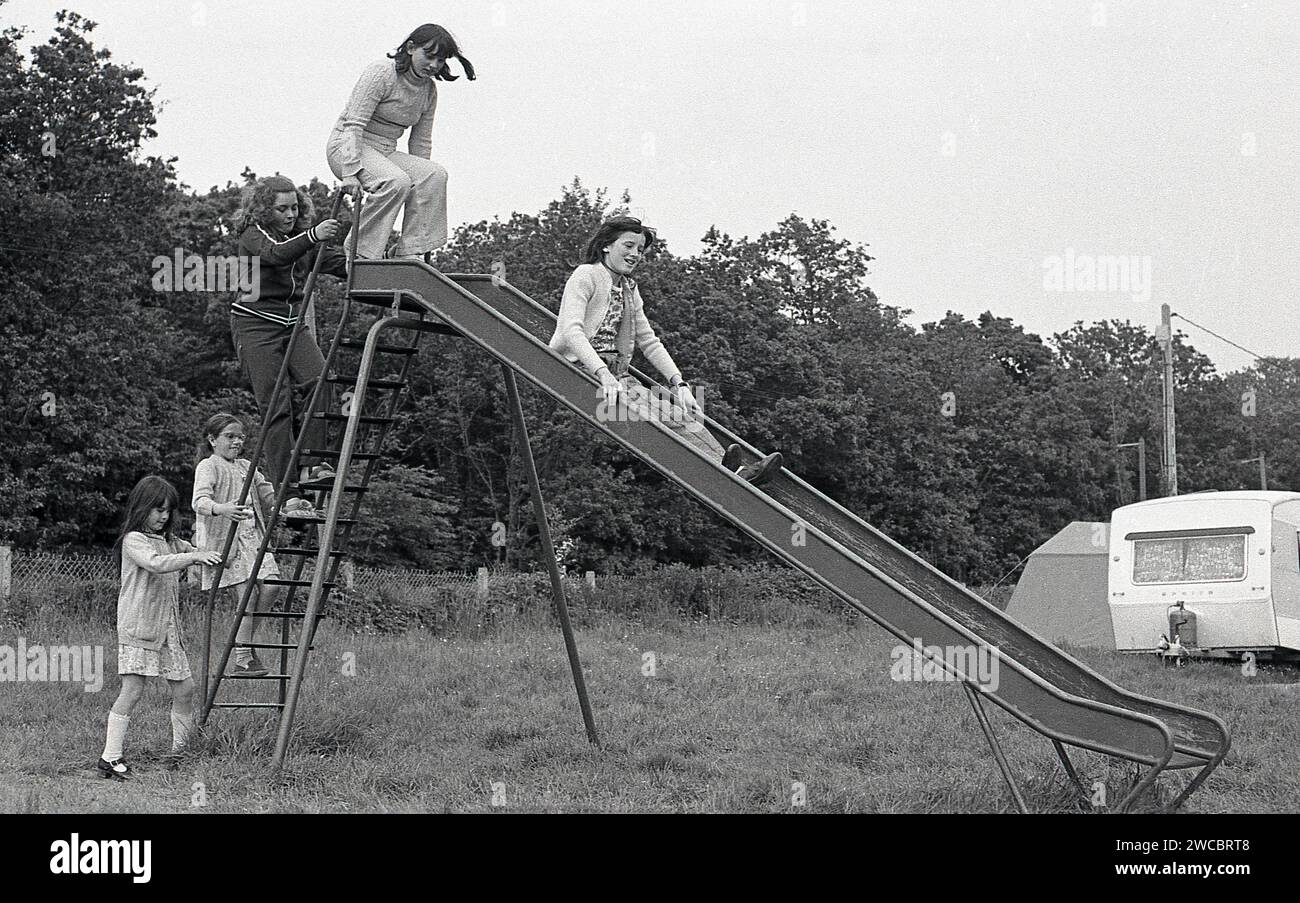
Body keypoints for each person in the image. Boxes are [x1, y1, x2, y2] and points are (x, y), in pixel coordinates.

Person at [550, 216, 783, 485]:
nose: (635, 254)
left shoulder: (628, 288)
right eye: (628, 246)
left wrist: (679, 384)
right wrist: (602, 373)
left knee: (677, 414)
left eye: (640, 249)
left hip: (617, 373)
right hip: (583, 368)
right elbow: (572, 330)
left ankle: (735, 472)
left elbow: (648, 340)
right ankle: (719, 472)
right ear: (606, 245)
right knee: (647, 417)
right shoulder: (585, 276)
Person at [232, 174, 346, 517]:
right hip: (256, 325)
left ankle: (312, 465)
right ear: (265, 209)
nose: (290, 214)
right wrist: (313, 235)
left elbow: (337, 263)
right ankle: (288, 492)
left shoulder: (302, 240)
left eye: (295, 207)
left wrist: (376, 257)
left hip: (292, 325)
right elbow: (277, 254)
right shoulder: (253, 235)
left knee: (321, 380)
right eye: (282, 209)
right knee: (276, 406)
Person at [99, 476, 223, 779]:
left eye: (168, 510)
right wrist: (193, 556)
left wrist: (224, 549)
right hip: (139, 626)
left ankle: (180, 752)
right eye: (157, 510)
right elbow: (156, 563)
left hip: (169, 630)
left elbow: (200, 551)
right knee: (133, 689)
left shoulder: (170, 540)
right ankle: (110, 758)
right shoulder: (134, 540)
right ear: (142, 508)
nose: (163, 516)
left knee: (185, 688)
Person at [327, 23, 475, 260]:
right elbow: (354, 124)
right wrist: (349, 172)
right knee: (396, 181)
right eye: (429, 56)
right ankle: (360, 254)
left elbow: (421, 143)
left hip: (385, 152)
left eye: (441, 60)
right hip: (346, 145)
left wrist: (422, 183)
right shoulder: (382, 72)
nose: (434, 65)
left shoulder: (428, 90)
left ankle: (410, 252)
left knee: (435, 174)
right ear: (410, 47)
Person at [192, 413, 284, 678]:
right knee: (247, 596)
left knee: (272, 585)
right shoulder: (209, 466)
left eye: (240, 437)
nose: (236, 442)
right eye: (229, 437)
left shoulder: (247, 465)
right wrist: (222, 508)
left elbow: (267, 494)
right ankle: (243, 657)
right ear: (212, 439)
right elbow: (199, 501)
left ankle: (244, 644)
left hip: (253, 538)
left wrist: (286, 503)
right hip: (227, 542)